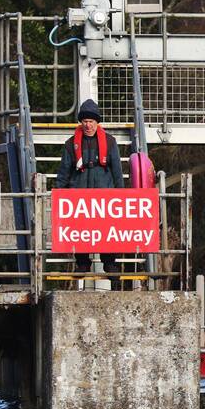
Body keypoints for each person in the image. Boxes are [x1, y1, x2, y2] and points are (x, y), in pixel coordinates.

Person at [55, 99, 124, 277]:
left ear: (97, 122)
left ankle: (110, 263)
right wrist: (59, 194)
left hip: (105, 198)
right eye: (85, 121)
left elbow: (117, 171)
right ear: (81, 122)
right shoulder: (70, 144)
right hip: (79, 198)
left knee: (107, 230)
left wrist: (121, 195)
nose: (88, 125)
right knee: (81, 230)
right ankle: (82, 263)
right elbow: (64, 172)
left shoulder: (110, 142)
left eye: (91, 121)